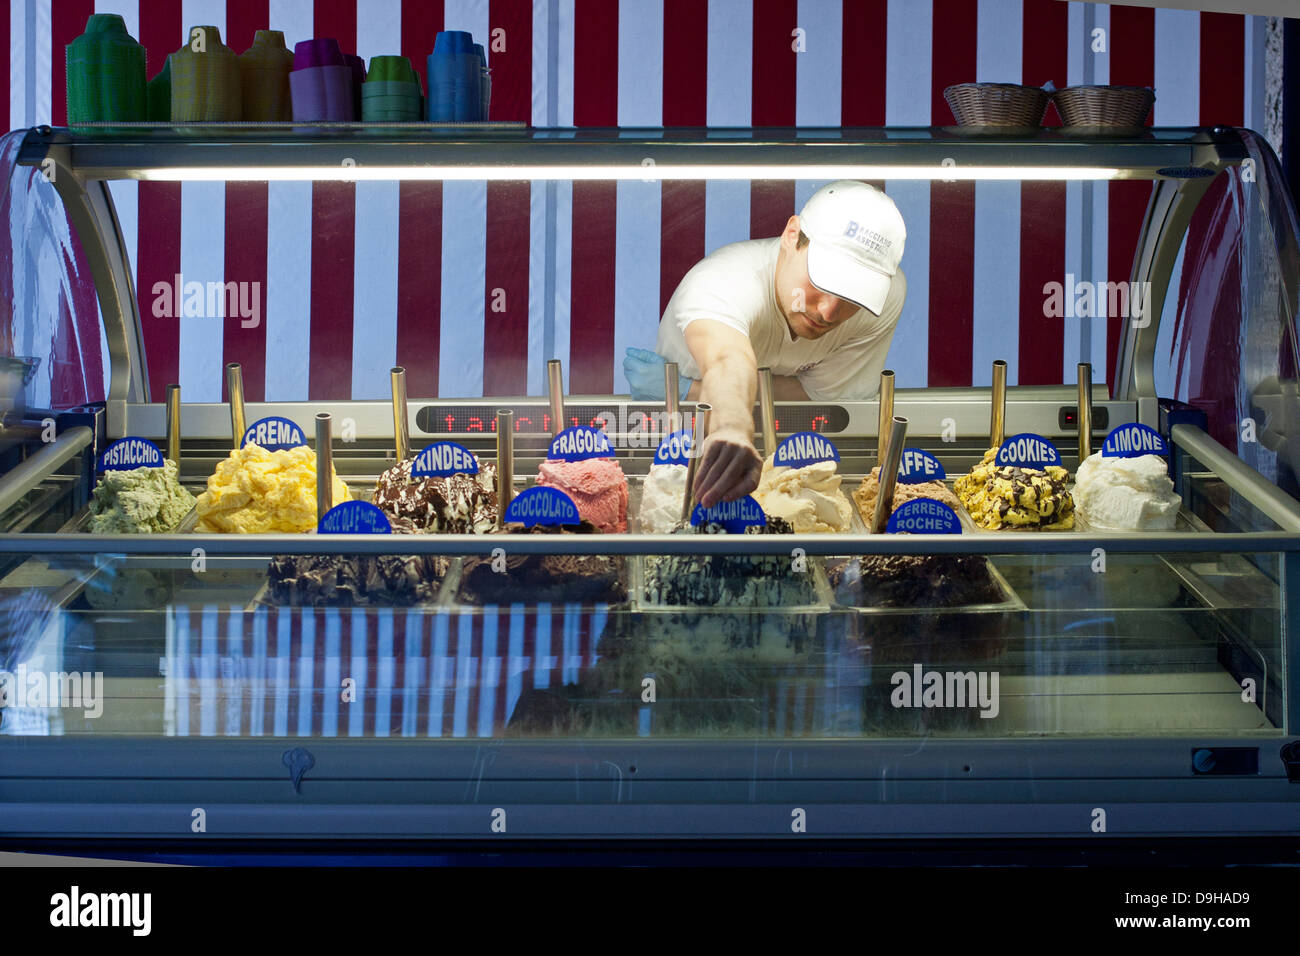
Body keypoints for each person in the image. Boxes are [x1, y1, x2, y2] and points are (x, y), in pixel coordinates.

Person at [624, 180, 907, 508]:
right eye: (823, 280)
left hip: (797, 452)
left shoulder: (884, 300)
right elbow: (728, 360)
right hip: (680, 450)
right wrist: (731, 425)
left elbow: (822, 398)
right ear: (792, 235)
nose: (830, 312)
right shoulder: (723, 280)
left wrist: (693, 391)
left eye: (852, 296)